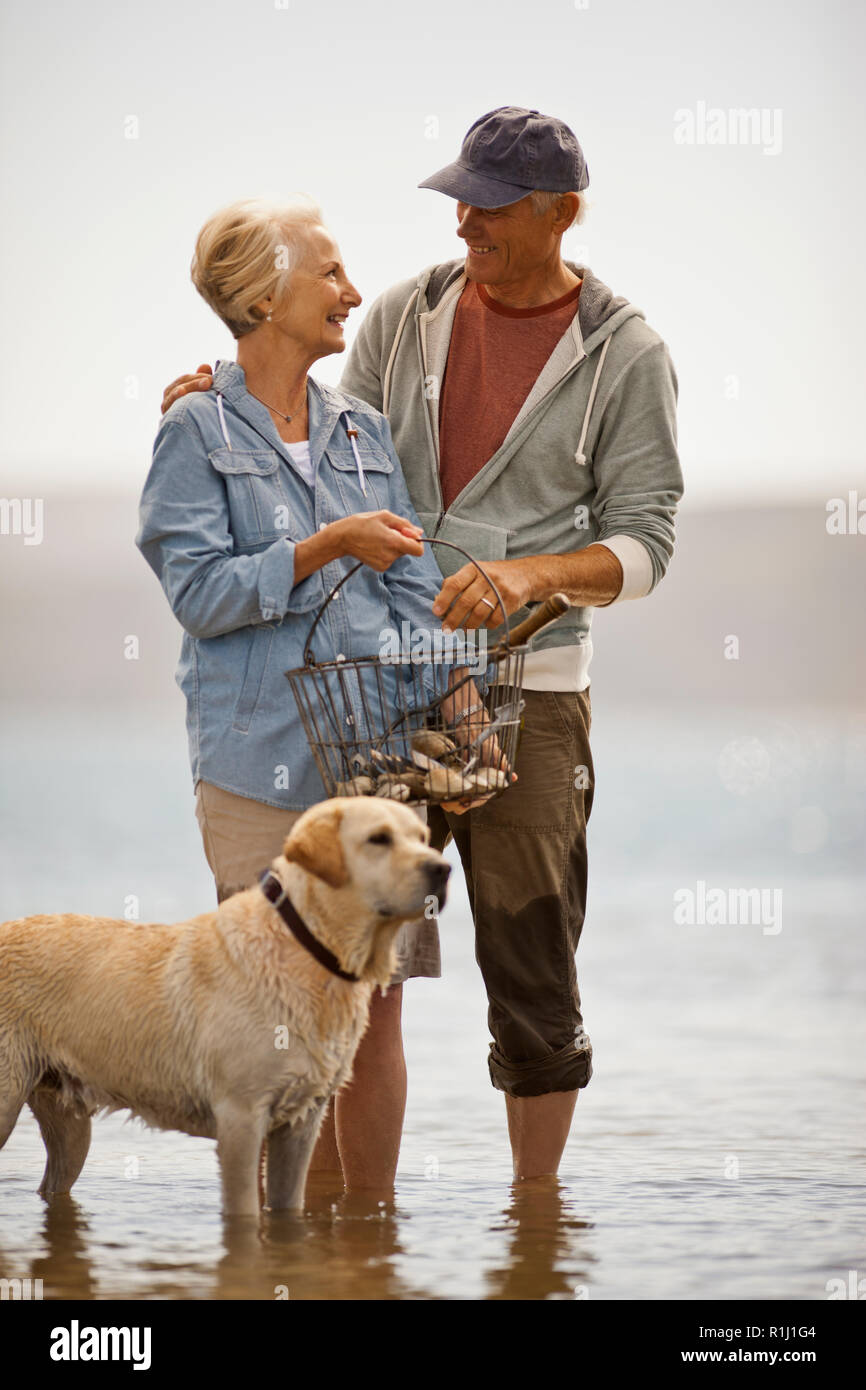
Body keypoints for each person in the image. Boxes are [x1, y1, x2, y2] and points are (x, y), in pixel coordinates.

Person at [161, 108, 684, 1183]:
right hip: (382, 693)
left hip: (529, 699)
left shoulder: (625, 352)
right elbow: (316, 437)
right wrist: (212, 389)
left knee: (529, 963)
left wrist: (534, 575)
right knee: (348, 971)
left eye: (490, 206)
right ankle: (354, 1249)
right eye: (460, 199)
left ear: (559, 214)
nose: (465, 224)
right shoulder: (405, 317)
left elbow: (647, 541)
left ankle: (532, 1235)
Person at [138, 196, 464, 1193]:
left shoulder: (363, 431)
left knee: (377, 1008)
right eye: (328, 274)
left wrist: (449, 700)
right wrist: (325, 545)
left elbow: (410, 590)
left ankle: (366, 1249)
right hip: (251, 764)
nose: (350, 293)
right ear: (262, 295)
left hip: (369, 768)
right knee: (279, 1014)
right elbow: (199, 593)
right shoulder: (193, 431)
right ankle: (295, 1257)